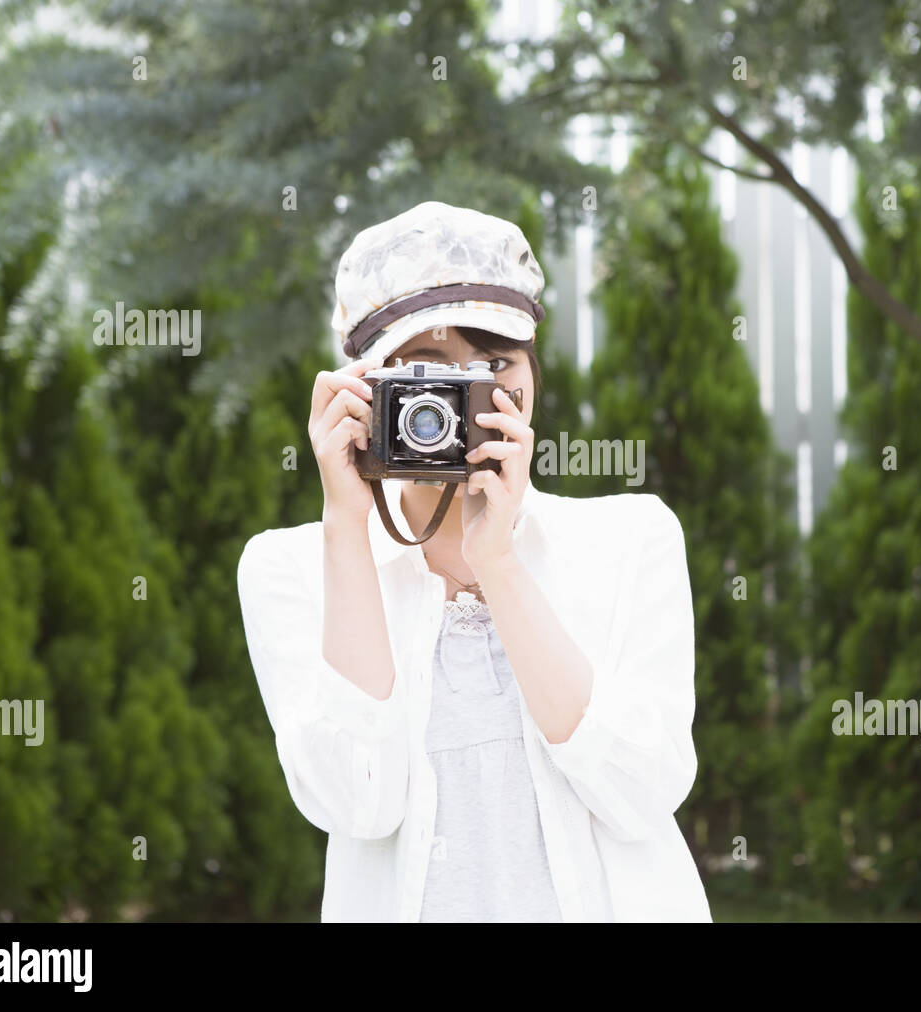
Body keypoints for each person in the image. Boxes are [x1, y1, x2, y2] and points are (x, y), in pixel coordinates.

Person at [237, 200, 711, 922]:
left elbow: (642, 791)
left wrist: (499, 561)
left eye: (494, 364)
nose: (458, 397)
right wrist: (347, 525)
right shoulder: (292, 568)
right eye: (425, 370)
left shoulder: (632, 539)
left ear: (532, 376)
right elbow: (358, 803)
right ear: (364, 391)